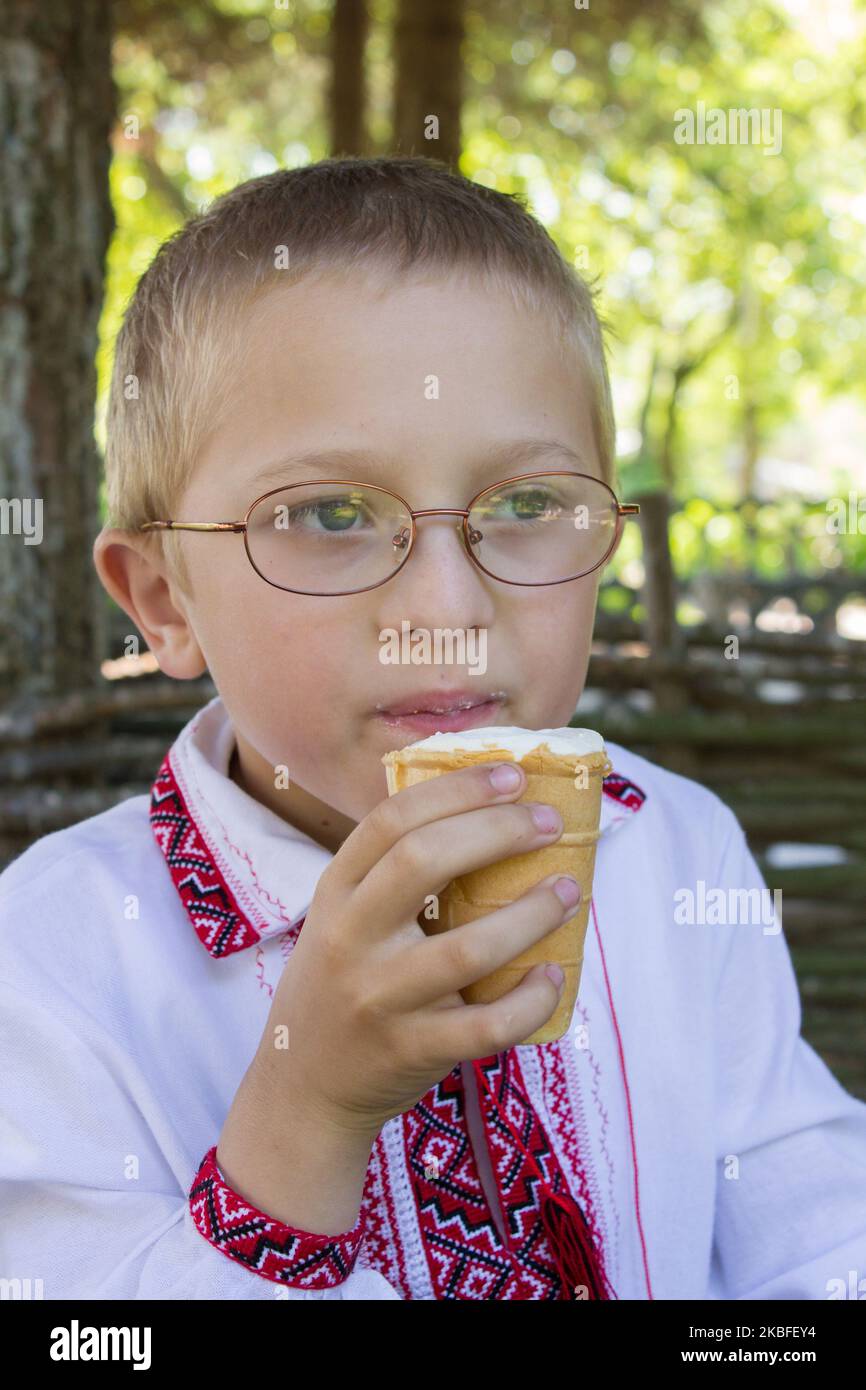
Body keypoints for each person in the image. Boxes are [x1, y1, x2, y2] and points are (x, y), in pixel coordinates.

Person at [1, 156, 864, 1301]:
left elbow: (805, 1224)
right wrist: (305, 1112)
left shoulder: (672, 849)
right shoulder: (50, 962)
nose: (446, 612)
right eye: (328, 515)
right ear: (164, 597)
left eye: (523, 506)